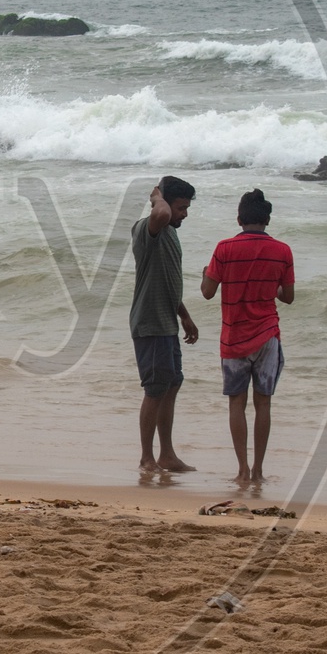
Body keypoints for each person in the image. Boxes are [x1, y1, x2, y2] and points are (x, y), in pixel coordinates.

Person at [201, 188, 295, 484]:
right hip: (268, 336)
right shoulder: (282, 251)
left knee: (236, 404)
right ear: (267, 219)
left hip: (234, 337)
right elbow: (288, 297)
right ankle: (259, 471)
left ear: (239, 218)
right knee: (263, 404)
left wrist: (205, 272)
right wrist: (270, 287)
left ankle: (241, 470)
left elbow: (207, 292)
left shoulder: (224, 248)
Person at [130, 176, 199, 473]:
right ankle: (147, 458)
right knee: (155, 388)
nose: (185, 213)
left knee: (172, 384)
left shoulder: (170, 232)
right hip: (151, 323)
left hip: (167, 321)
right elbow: (160, 213)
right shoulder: (150, 227)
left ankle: (166, 454)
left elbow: (168, 280)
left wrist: (184, 315)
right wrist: (156, 198)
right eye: (181, 207)